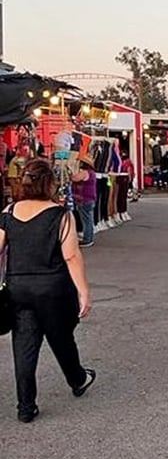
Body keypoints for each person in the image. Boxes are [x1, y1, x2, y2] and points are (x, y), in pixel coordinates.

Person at [0, 158, 95, 423]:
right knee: (62, 337)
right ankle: (78, 379)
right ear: (50, 184)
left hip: (19, 288)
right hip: (53, 289)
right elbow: (72, 257)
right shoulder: (60, 215)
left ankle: (25, 406)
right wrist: (83, 291)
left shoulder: (8, 213)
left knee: (24, 345)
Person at [71, 155, 97, 249]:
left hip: (84, 199)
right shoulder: (92, 173)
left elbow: (74, 178)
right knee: (88, 219)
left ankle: (87, 239)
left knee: (86, 220)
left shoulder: (85, 173)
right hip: (89, 198)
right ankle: (88, 238)